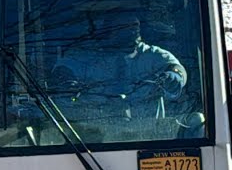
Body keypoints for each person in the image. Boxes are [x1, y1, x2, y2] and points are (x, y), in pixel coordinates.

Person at [50, 6, 187, 121]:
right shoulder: (88, 56)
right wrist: (66, 81)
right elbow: (64, 69)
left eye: (135, 28)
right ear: (109, 30)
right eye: (126, 28)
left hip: (148, 134)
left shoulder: (151, 55)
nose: (133, 33)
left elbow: (175, 67)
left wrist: (175, 76)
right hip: (94, 132)